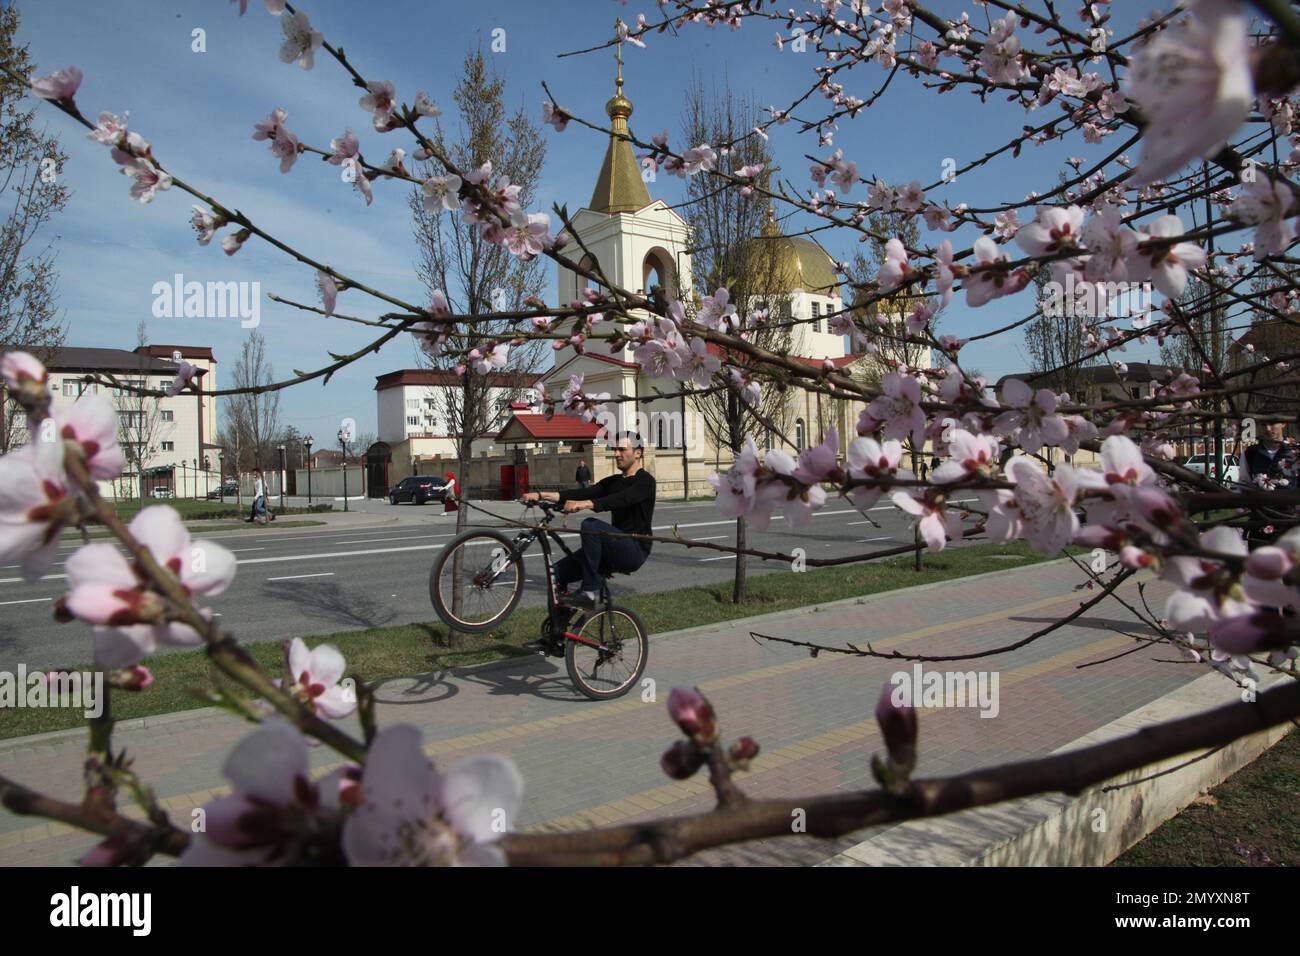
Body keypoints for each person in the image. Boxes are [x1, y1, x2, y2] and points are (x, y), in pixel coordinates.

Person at [521, 431, 655, 610]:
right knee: (557, 573)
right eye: (614, 449)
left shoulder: (645, 482)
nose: (616, 454)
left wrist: (585, 504)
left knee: (590, 524)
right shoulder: (613, 481)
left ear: (638, 452)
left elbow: (622, 499)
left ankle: (589, 592)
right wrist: (540, 494)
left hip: (635, 548)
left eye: (622, 449)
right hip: (613, 545)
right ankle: (558, 631)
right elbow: (580, 493)